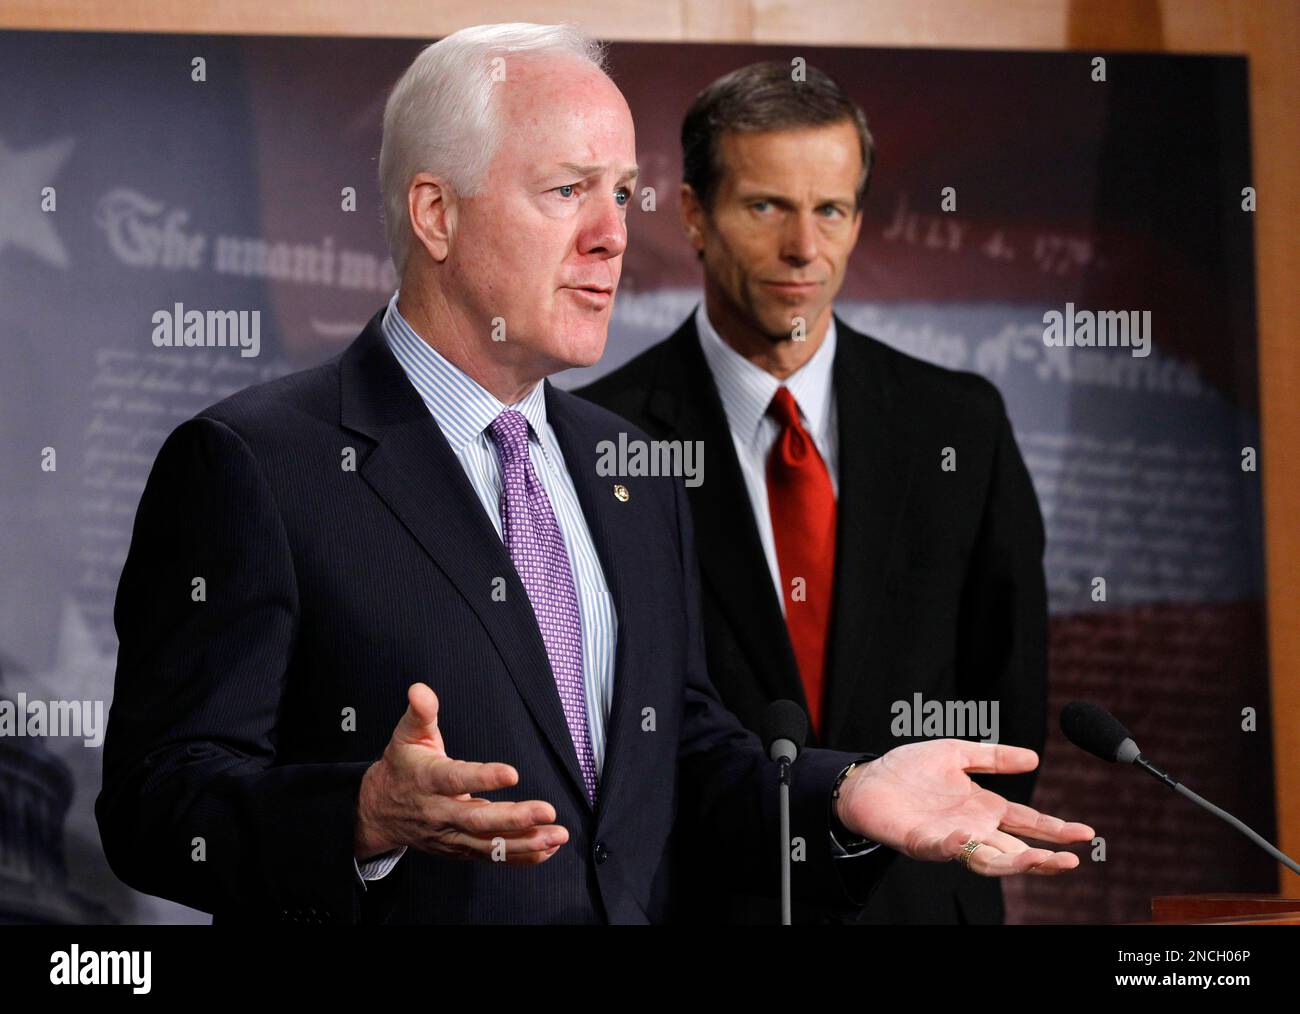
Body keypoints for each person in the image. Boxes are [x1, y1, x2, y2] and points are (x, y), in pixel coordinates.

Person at [97, 24, 1086, 925]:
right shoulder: (253, 465)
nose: (612, 235)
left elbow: (683, 757)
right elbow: (155, 804)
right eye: (568, 190)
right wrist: (361, 813)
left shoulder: (629, 467)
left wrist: (842, 790)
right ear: (436, 214)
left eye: (621, 192)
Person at [578, 62, 1048, 924]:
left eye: (829, 210)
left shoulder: (961, 424)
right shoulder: (596, 439)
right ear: (692, 215)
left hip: (921, 906)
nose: (804, 247)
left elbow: (1007, 704)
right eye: (766, 207)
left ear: (859, 220)